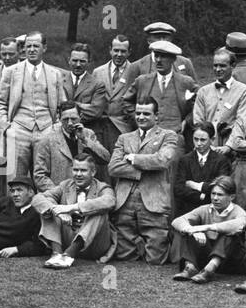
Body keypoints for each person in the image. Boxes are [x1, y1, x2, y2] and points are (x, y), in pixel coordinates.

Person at [108, 100, 180, 264]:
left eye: (146, 113)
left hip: (153, 201)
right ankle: (137, 247)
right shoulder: (124, 138)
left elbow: (162, 160)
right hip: (125, 200)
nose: (141, 117)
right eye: (138, 113)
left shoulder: (168, 136)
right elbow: (113, 168)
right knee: (125, 256)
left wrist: (133, 158)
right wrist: (145, 170)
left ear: (156, 116)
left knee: (156, 259)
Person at [0, 30, 68, 183]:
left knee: (45, 178)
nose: (32, 49)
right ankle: (14, 207)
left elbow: (63, 105)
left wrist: (57, 127)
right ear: (23, 49)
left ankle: (44, 206)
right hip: (18, 130)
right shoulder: (11, 72)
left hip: (46, 130)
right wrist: (6, 126)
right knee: (14, 180)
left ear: (44, 48)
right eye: (28, 46)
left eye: (36, 46)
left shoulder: (55, 74)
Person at [33, 155, 116, 268]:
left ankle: (69, 255)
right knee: (47, 207)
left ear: (93, 172)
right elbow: (37, 198)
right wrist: (56, 211)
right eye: (75, 170)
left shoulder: (102, 187)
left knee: (99, 210)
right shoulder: (65, 185)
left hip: (94, 244)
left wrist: (72, 207)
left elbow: (109, 201)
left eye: (83, 170)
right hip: (68, 238)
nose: (78, 174)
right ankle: (56, 254)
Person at [171, 175, 246, 283]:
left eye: (220, 195)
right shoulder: (205, 209)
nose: (215, 198)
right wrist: (192, 230)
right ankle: (190, 267)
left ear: (232, 197)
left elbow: (239, 225)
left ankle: (209, 270)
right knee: (189, 230)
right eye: (213, 194)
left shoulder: (239, 212)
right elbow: (177, 221)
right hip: (207, 255)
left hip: (229, 261)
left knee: (230, 234)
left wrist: (205, 227)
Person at [33, 101, 110, 193]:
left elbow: (105, 158)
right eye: (65, 119)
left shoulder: (88, 134)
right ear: (59, 118)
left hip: (87, 193)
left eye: (73, 119)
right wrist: (59, 193)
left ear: (80, 117)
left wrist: (85, 140)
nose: (69, 123)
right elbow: (39, 175)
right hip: (59, 195)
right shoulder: (48, 140)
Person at [124, 40, 196, 138]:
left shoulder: (186, 82)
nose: (158, 60)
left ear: (173, 59)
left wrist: (187, 121)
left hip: (176, 136)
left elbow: (199, 104)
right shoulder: (142, 81)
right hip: (147, 137)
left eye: (163, 56)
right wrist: (138, 120)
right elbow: (126, 101)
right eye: (156, 56)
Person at [192, 48, 246, 148]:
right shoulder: (203, 91)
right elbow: (198, 121)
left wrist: (228, 146)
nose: (218, 69)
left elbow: (242, 123)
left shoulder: (244, 91)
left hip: (232, 149)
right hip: (204, 147)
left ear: (233, 66)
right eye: (215, 65)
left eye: (222, 66)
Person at [173, 121, 233, 216]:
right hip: (188, 210)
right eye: (195, 139)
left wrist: (197, 186)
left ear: (212, 140)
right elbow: (179, 189)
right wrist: (202, 196)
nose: (198, 144)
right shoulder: (185, 160)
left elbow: (221, 187)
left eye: (203, 140)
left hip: (213, 211)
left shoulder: (221, 160)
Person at [93, 34, 138, 152]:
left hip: (123, 128)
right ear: (110, 50)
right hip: (100, 127)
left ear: (129, 52)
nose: (119, 54)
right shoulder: (98, 72)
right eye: (116, 50)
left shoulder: (135, 71)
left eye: (123, 51)